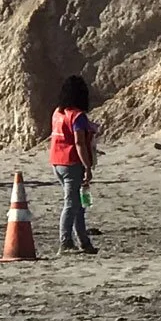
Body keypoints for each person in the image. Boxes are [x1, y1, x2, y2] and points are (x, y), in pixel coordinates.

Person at [50, 74, 99, 254]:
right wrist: (88, 166)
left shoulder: (58, 113)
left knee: (78, 204)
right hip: (71, 162)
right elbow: (79, 143)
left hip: (57, 161)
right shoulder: (78, 116)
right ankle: (66, 242)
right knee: (72, 204)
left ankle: (84, 241)